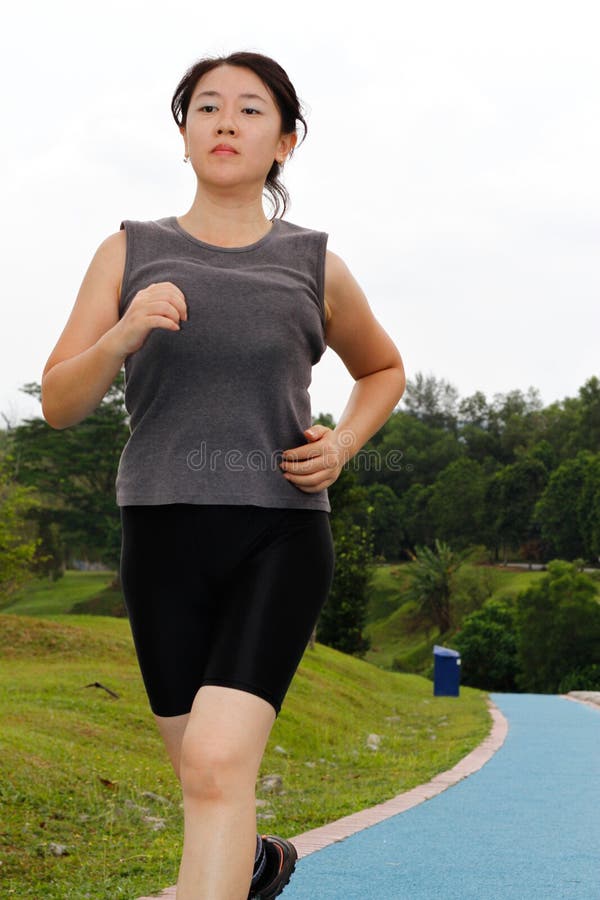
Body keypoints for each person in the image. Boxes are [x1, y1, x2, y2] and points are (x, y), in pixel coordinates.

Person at [41, 50, 406, 900]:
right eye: (206, 107)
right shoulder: (128, 251)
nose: (226, 123)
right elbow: (59, 402)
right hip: (161, 534)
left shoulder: (315, 264)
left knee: (213, 763)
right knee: (205, 778)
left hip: (279, 532)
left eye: (249, 109)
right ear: (183, 136)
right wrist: (121, 334)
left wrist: (344, 445)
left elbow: (383, 369)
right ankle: (250, 866)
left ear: (284, 141)